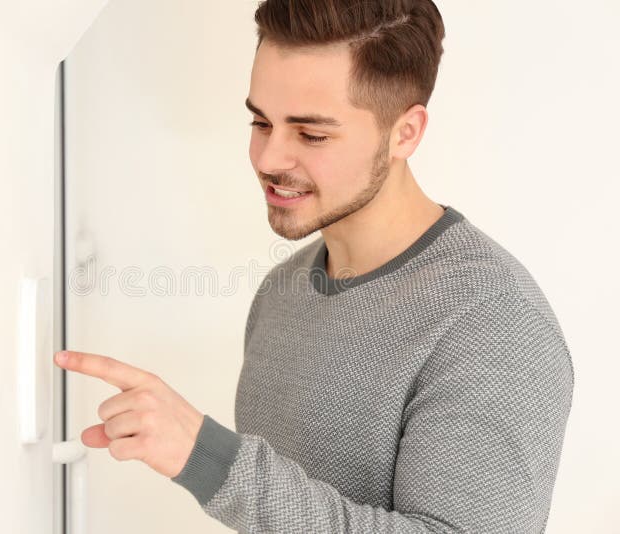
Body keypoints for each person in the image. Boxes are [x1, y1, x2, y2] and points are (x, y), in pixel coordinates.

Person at [167, 1, 575, 532]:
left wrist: (212, 461)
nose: (268, 159)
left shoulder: (492, 320)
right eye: (261, 121)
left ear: (405, 133)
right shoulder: (281, 294)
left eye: (311, 134)